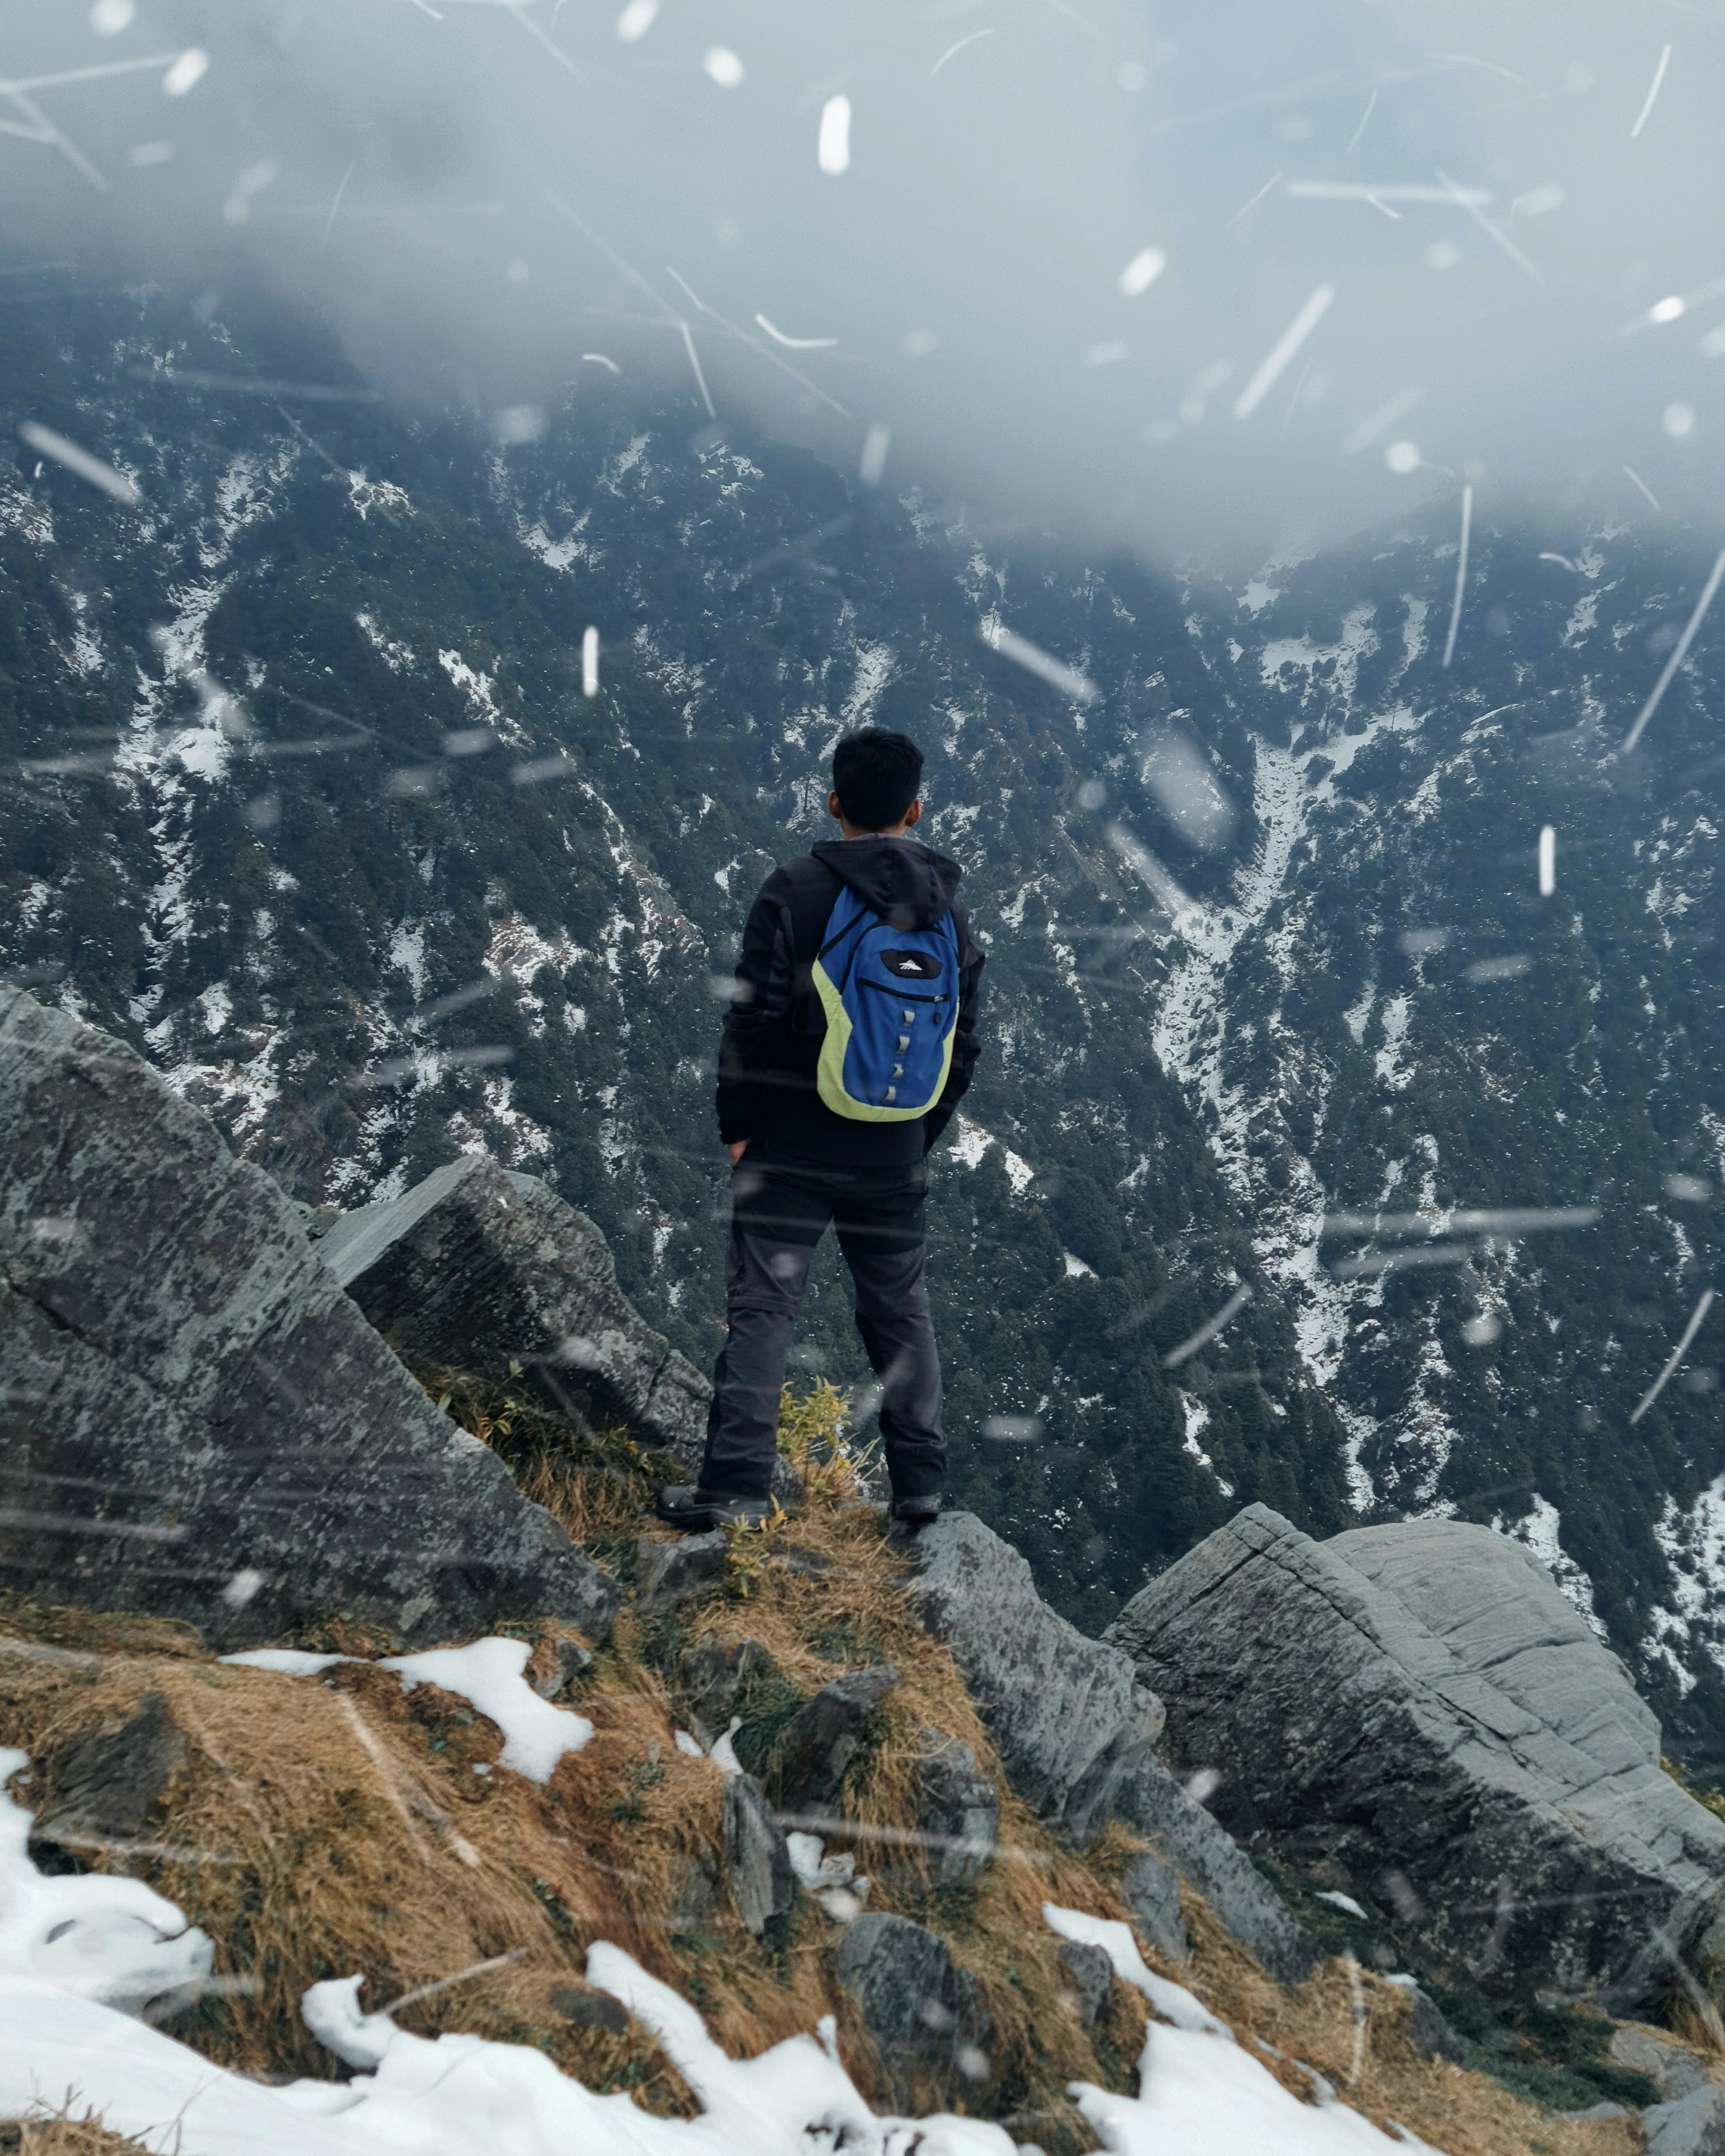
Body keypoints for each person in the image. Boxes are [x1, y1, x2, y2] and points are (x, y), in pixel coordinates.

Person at [657, 726, 986, 1532]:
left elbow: (753, 1020)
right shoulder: (951, 915)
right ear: (916, 809)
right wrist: (917, 1133)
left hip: (792, 1142)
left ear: (833, 802)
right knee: (900, 1313)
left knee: (765, 1311)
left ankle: (734, 1489)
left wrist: (739, 1126)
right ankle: (919, 1490)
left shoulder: (796, 891)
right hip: (894, 1152)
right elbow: (963, 1046)